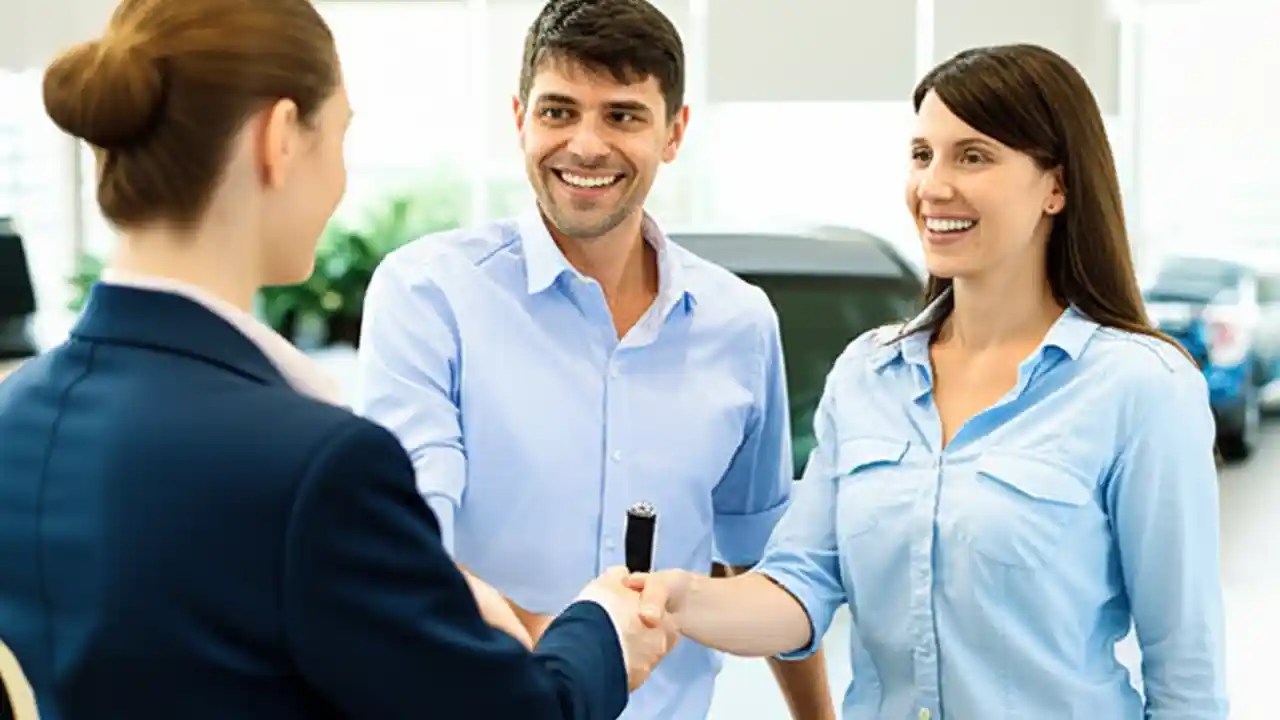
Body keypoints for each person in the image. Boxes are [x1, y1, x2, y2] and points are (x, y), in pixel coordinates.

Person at [0, 1, 677, 718]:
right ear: (281, 138)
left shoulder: (18, 416)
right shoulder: (317, 468)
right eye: (341, 134)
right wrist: (601, 628)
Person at [624, 44, 1230, 720]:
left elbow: (1187, 679)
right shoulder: (867, 375)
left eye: (973, 156)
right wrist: (678, 597)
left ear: (1056, 186)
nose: (934, 186)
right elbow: (798, 590)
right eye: (922, 155)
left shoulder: (1141, 389)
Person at [355, 0, 835, 718]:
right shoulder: (428, 296)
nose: (584, 145)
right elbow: (406, 544)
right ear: (518, 117)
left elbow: (761, 561)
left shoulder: (739, 322)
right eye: (557, 111)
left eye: (622, 115)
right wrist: (578, 648)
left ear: (674, 132)